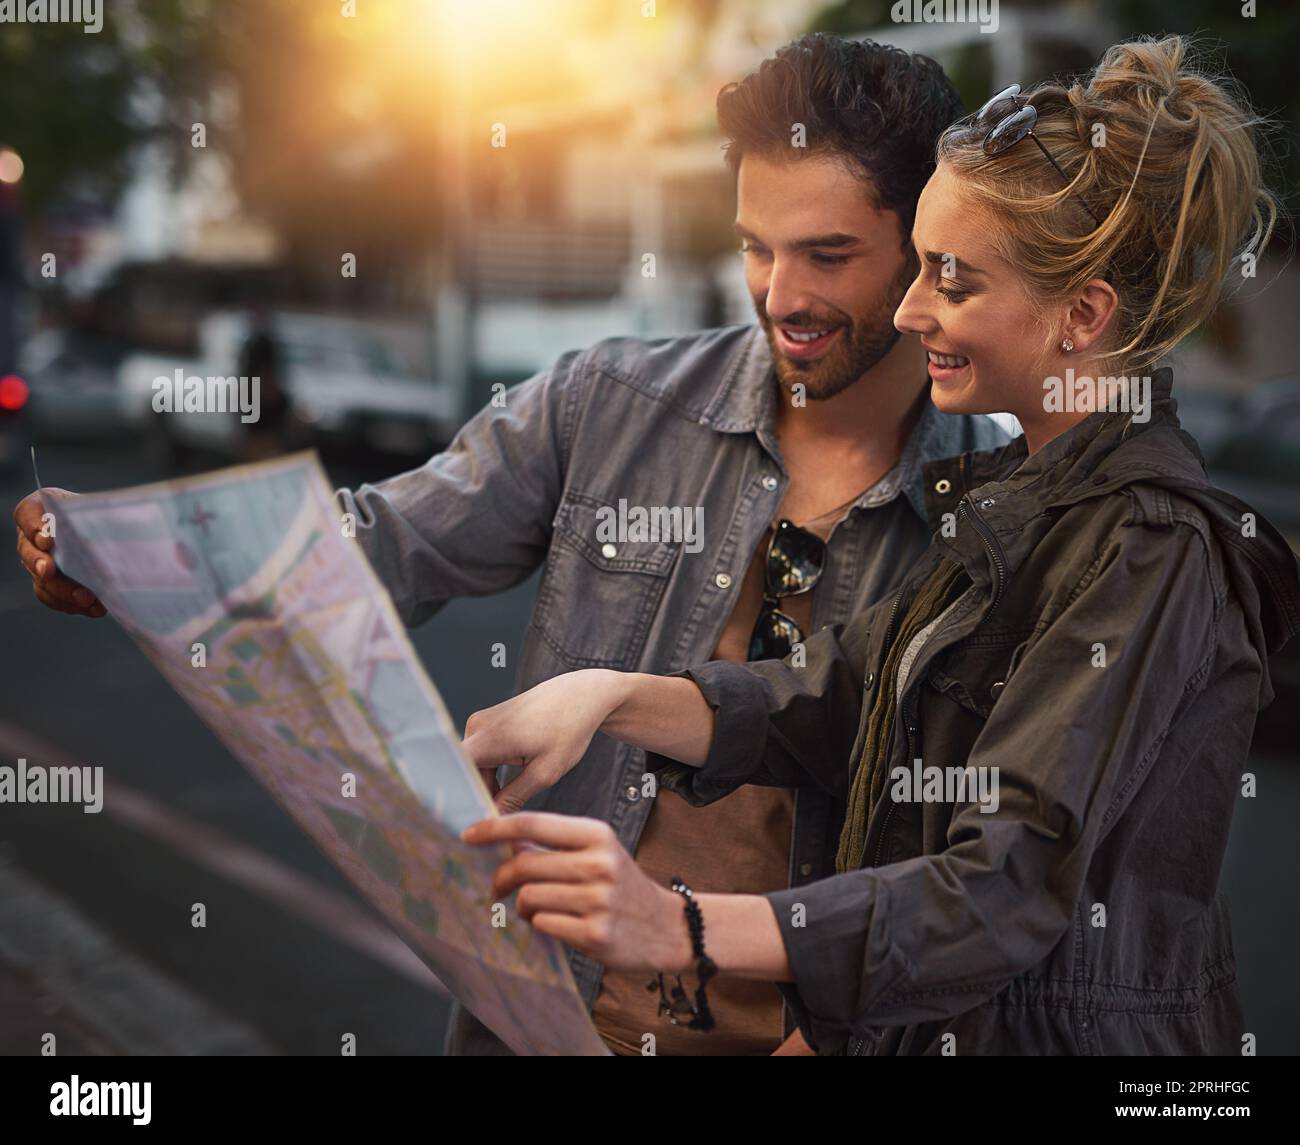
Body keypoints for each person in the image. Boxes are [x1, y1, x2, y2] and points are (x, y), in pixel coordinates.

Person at [12, 34, 1007, 1056]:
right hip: (544, 1016)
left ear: (928, 246)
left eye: (827, 255)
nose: (781, 294)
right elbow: (382, 541)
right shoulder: (608, 404)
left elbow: (986, 868)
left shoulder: (1004, 505)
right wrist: (140, 552)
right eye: (757, 246)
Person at [459, 35, 1300, 1055]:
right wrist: (601, 694)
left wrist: (672, 922)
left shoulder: (1148, 550)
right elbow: (838, 697)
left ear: (1080, 314)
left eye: (950, 282)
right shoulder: (1013, 499)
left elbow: (1004, 884)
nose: (908, 312)